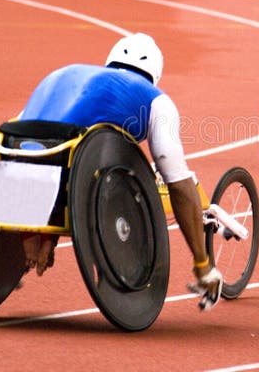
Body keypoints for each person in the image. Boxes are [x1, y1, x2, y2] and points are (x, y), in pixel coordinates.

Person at [16, 32, 223, 311]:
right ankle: (205, 270)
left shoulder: (64, 74)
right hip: (76, 180)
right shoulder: (156, 99)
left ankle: (31, 232)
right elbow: (176, 180)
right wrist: (203, 264)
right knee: (174, 175)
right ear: (155, 74)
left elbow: (32, 134)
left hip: (20, 165)